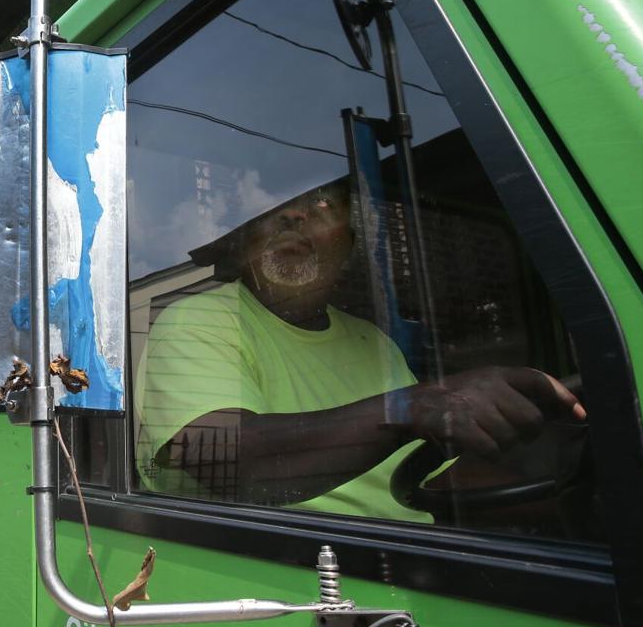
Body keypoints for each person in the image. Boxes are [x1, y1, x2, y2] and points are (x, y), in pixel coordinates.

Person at [134, 180, 585, 522]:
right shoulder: (201, 319)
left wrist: (553, 481)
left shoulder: (373, 342)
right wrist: (412, 406)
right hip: (301, 575)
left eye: (323, 203)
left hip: (415, 566)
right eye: (273, 204)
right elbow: (220, 458)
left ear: (347, 245)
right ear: (244, 240)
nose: (294, 214)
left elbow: (432, 476)